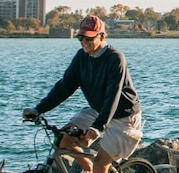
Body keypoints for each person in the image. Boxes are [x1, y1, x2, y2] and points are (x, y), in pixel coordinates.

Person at [22, 16, 143, 173]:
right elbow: (65, 87)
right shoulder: (81, 57)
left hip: (123, 117)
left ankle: (98, 169)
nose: (84, 41)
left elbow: (113, 96)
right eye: (81, 37)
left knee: (100, 164)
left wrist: (97, 128)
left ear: (102, 36)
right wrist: (38, 109)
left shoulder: (115, 58)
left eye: (89, 37)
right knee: (64, 140)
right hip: (98, 110)